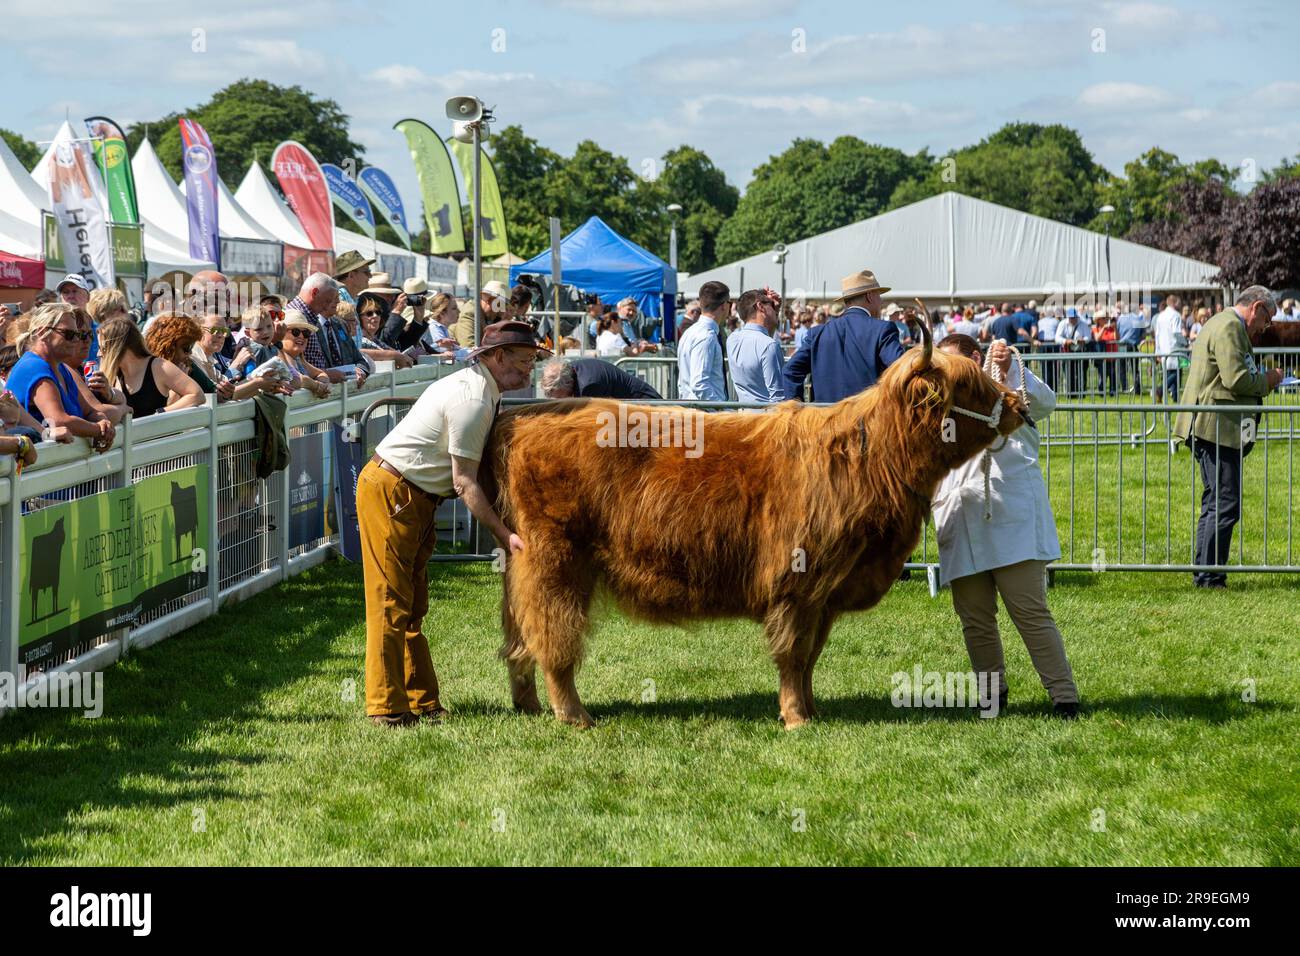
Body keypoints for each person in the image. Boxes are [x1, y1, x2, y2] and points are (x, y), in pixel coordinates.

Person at [360, 320, 544, 727]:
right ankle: (386, 706)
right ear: (496, 357)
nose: (528, 369)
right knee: (391, 602)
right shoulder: (473, 398)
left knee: (411, 604)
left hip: (413, 494)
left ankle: (421, 700)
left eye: (532, 361)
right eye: (523, 360)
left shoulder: (482, 388)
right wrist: (505, 533)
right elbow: (464, 482)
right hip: (394, 490)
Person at [931, 333, 1079, 718]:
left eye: (952, 364)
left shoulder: (1009, 391)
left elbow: (1046, 403)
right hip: (960, 518)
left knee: (1030, 614)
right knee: (975, 619)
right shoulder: (938, 405)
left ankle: (1064, 698)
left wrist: (1011, 365)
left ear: (975, 359)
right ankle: (991, 698)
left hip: (1012, 517)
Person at [1172, 286, 1285, 590]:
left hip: (1215, 427)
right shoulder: (1230, 327)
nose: (1265, 327)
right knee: (1224, 504)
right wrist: (1270, 381)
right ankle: (1209, 577)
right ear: (1256, 307)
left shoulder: (1223, 323)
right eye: (1266, 319)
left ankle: (1207, 573)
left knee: (1217, 502)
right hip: (1215, 429)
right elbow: (1236, 378)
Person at [5, 304, 116, 452]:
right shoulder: (34, 367)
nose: (76, 340)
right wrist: (99, 430)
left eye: (78, 334)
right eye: (69, 334)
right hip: (35, 467)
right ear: (43, 332)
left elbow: (89, 411)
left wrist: (103, 422)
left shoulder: (60, 367)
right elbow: (58, 421)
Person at [783, 269, 905, 403]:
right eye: (879, 295)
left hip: (825, 419)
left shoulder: (817, 333)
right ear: (870, 296)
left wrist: (797, 410)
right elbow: (902, 371)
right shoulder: (882, 329)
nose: (880, 301)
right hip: (866, 419)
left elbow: (790, 370)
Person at [98, 317, 203, 418]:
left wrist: (161, 413)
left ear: (117, 347)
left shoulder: (159, 367)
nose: (98, 354)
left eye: (102, 348)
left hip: (162, 435)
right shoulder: (112, 375)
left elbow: (197, 395)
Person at [291, 272, 368, 386]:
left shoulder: (313, 317)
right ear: (315, 293)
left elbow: (302, 362)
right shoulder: (294, 317)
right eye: (328, 300)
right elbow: (293, 365)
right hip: (310, 396)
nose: (330, 305)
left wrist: (324, 375)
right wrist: (325, 375)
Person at [726, 288, 786, 404]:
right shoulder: (769, 345)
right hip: (765, 419)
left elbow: (764, 335)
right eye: (772, 305)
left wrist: (773, 310)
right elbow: (778, 398)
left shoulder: (732, 339)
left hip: (743, 415)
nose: (775, 309)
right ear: (760, 306)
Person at [677, 280, 728, 401]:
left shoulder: (691, 332)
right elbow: (699, 384)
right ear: (724, 305)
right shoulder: (706, 336)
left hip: (696, 409)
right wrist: (722, 409)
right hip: (705, 413)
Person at [539, 356, 662, 400]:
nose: (556, 400)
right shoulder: (570, 369)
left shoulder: (588, 386)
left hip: (644, 406)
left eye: (559, 396)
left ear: (569, 383)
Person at [277, 311, 334, 398]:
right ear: (281, 334)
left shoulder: (299, 360)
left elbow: (321, 374)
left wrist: (324, 384)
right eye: (295, 331)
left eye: (305, 333)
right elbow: (295, 380)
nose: (301, 336)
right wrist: (316, 386)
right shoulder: (277, 357)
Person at [454, 280, 509, 348]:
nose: (501, 312)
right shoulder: (470, 313)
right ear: (488, 300)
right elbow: (469, 346)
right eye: (499, 306)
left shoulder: (488, 316)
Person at [1154, 294, 1186, 402]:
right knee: (1177, 373)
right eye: (1178, 302)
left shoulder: (1160, 316)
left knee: (1171, 374)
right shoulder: (1176, 315)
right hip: (1174, 348)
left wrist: (1157, 351)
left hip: (1164, 349)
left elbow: (1157, 335)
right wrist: (1185, 342)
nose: (1180, 304)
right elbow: (1176, 332)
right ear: (1174, 303)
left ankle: (1176, 398)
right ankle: (1160, 389)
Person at [1054, 307, 1091, 395]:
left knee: (1082, 372)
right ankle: (1070, 393)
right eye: (1071, 318)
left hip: (1080, 351)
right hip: (1067, 352)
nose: (1072, 319)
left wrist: (1083, 340)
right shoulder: (1062, 324)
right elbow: (1057, 338)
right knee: (1068, 372)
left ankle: (1082, 392)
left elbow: (1088, 337)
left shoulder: (1083, 324)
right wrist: (1065, 341)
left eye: (1074, 317)